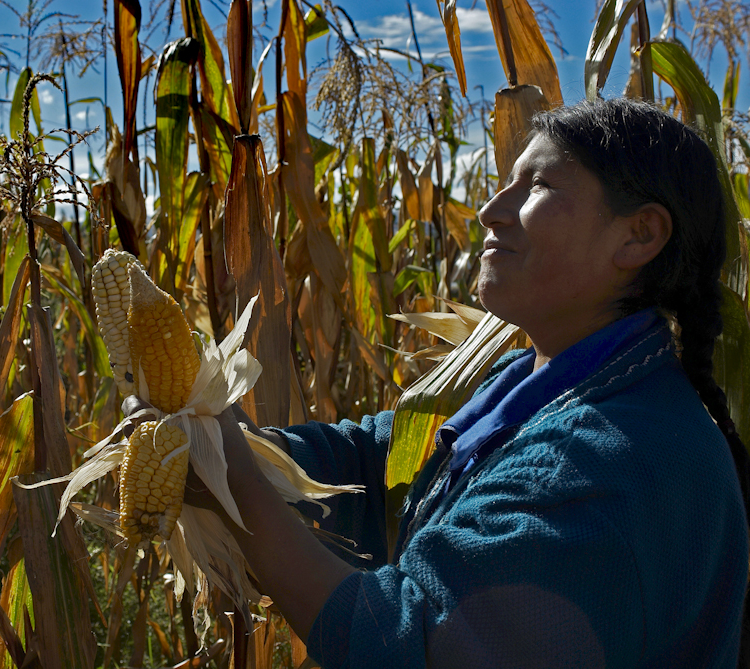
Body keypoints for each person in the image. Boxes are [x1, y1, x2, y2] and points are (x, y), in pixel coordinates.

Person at [190, 98, 750, 667]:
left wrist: (233, 476)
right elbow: (385, 465)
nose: (489, 210)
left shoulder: (599, 466)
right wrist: (224, 440)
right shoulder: (536, 381)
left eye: (537, 187)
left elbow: (409, 642)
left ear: (639, 236)